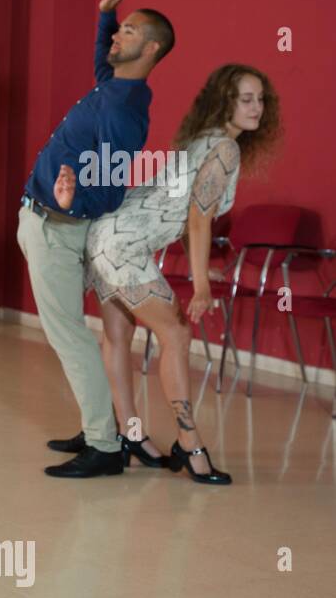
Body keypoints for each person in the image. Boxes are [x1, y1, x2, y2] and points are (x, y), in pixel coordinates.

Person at [72, 64, 281, 485]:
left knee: (117, 336)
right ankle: (190, 445)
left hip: (106, 232)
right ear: (225, 101)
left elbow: (187, 220)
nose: (256, 107)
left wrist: (203, 266)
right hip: (123, 245)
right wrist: (201, 286)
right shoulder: (225, 149)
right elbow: (200, 219)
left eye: (261, 99)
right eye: (246, 99)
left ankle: (129, 435)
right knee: (178, 334)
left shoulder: (202, 140)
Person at [17, 0, 176, 478]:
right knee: (75, 335)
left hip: (59, 228)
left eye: (128, 31)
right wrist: (107, 14)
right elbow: (101, 62)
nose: (116, 36)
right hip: (50, 222)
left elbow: (109, 188)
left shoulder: (124, 111)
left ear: (150, 48)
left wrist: (72, 197)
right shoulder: (114, 87)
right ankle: (97, 428)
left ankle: (105, 446)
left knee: (71, 336)